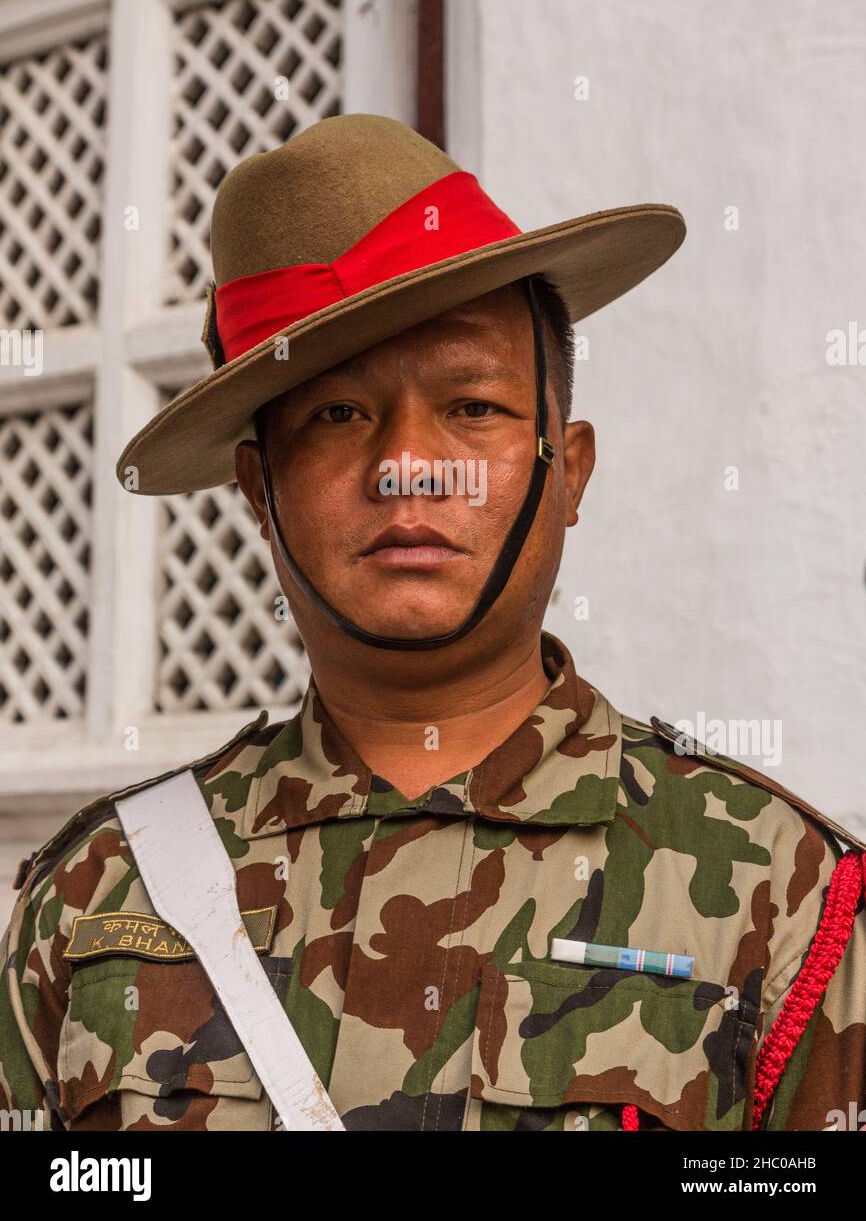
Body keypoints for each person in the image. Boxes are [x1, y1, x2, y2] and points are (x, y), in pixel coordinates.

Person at [1, 113, 864, 1132]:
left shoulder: (786, 891)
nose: (408, 465)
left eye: (471, 406)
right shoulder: (99, 891)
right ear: (256, 486)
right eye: (336, 414)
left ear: (567, 467)